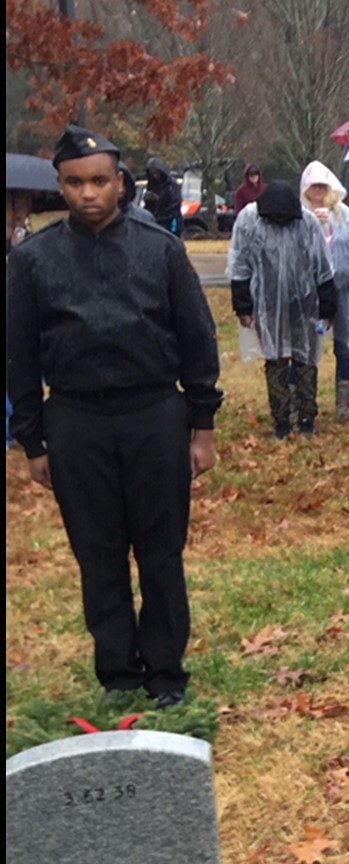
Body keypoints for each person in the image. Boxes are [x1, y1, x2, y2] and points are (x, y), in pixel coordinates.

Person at [6, 125, 224, 706]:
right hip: (75, 424)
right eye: (74, 183)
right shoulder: (33, 261)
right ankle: (118, 675)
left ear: (122, 182)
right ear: (60, 186)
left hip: (155, 414)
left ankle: (165, 672)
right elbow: (20, 356)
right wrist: (32, 441)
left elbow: (198, 342)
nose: (89, 194)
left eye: (100, 180)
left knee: (160, 552)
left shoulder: (161, 250)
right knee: (98, 555)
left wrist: (201, 428)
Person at [228, 181, 336, 437]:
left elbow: (322, 267)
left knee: (305, 360)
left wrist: (327, 309)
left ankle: (306, 417)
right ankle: (283, 420)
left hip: (304, 304)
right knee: (276, 360)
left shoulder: (307, 223)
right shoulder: (249, 222)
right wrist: (243, 306)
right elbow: (240, 265)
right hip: (267, 305)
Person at [300, 162, 349, 422]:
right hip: (309, 294)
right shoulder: (299, 215)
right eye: (313, 186)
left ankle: (344, 405)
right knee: (305, 349)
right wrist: (311, 225)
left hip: (344, 292)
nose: (319, 191)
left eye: (323, 185)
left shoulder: (347, 216)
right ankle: (302, 403)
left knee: (345, 347)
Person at [143, 156, 181, 235]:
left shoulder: (171, 184)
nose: (154, 175)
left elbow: (175, 203)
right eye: (152, 173)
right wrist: (149, 199)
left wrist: (159, 200)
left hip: (169, 221)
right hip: (155, 220)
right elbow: (147, 205)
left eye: (156, 172)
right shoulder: (152, 185)